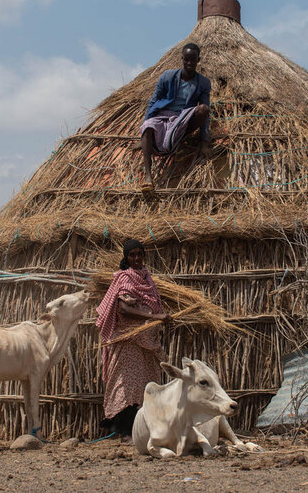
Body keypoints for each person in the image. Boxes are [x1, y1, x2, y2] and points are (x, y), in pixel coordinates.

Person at [96, 239, 171, 437]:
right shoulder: (126, 278)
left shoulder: (146, 278)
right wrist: (154, 317)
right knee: (126, 386)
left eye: (140, 254)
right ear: (126, 258)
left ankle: (142, 431)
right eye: (132, 255)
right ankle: (124, 432)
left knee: (145, 383)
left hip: (146, 342)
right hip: (129, 341)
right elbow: (124, 308)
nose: (137, 259)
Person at [139, 42, 212, 192]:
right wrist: (145, 123)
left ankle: (180, 138)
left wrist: (204, 141)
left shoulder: (203, 83)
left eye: (193, 60)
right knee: (148, 127)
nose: (189, 63)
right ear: (182, 58)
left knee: (203, 109)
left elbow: (206, 112)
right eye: (186, 59)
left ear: (198, 60)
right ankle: (148, 176)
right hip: (163, 114)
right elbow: (153, 101)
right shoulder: (167, 77)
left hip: (183, 116)